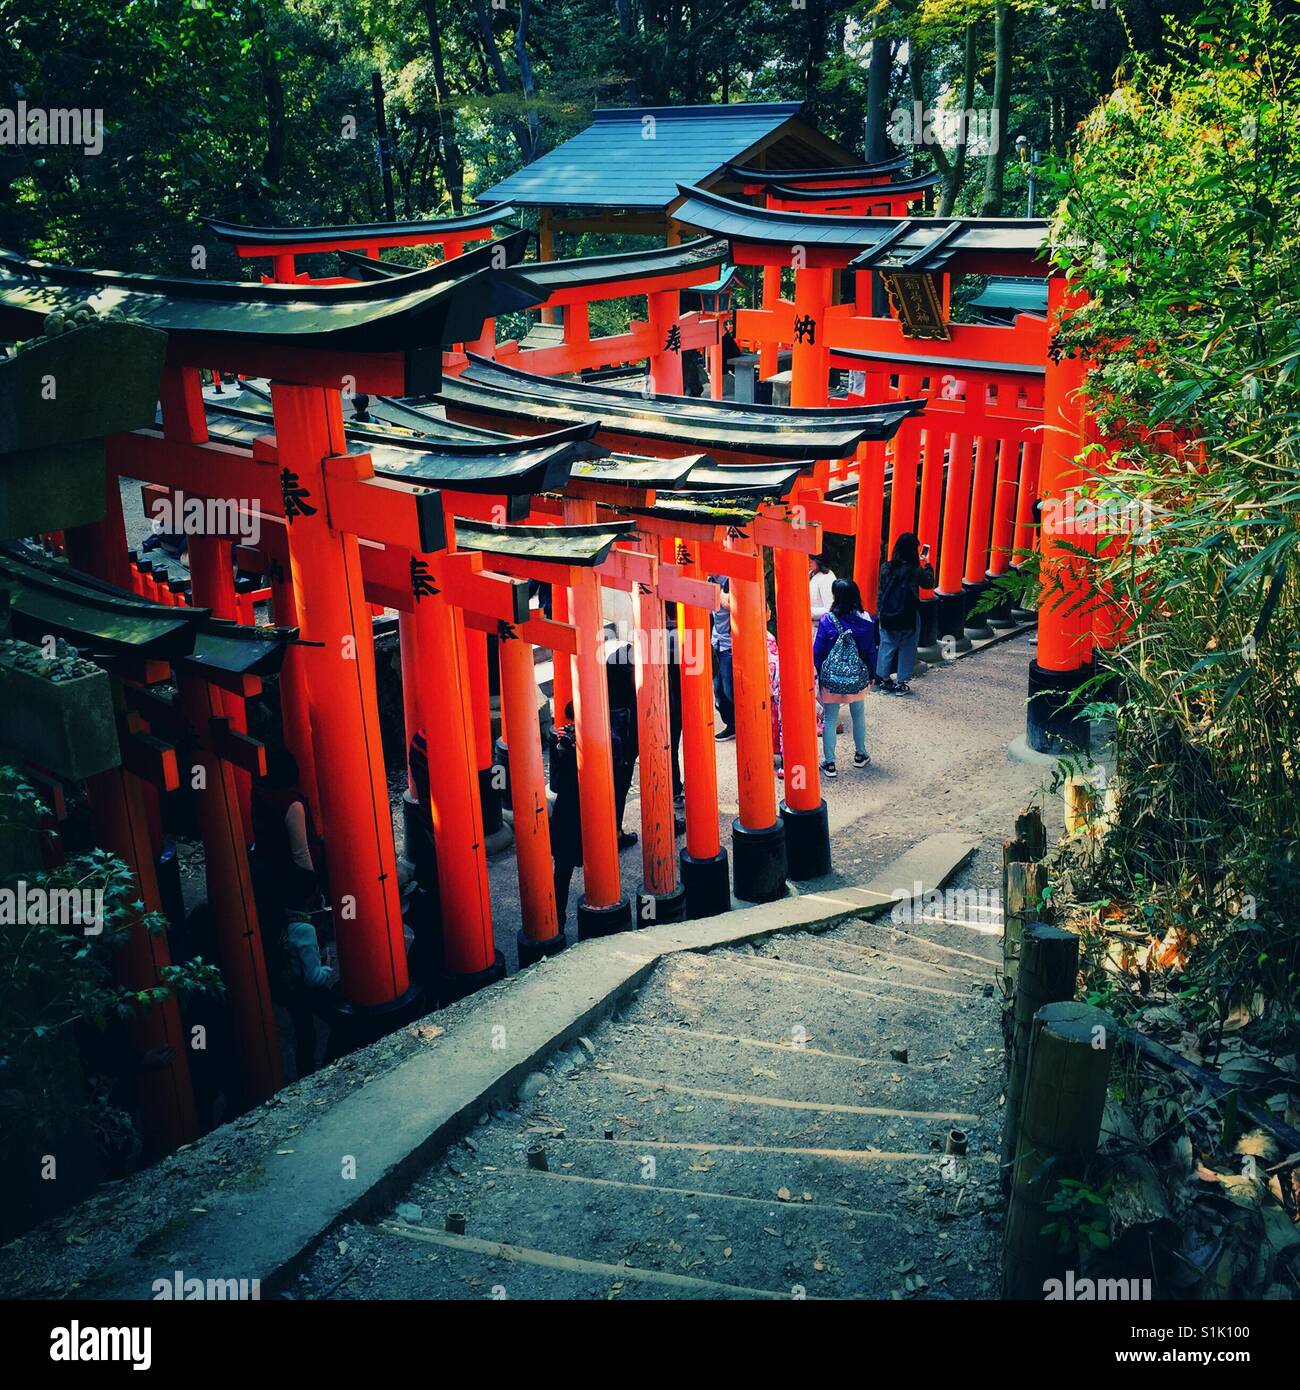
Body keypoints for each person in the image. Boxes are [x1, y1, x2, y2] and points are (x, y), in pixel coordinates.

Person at [813, 578, 878, 778]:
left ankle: (830, 763)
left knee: (830, 719)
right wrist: (871, 674)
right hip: (857, 676)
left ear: (836, 597)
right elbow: (870, 650)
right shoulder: (867, 619)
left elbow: (818, 651)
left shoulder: (827, 620)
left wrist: (822, 674)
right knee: (858, 714)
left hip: (832, 679)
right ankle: (860, 754)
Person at [876, 531, 935, 695]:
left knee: (886, 646)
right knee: (907, 648)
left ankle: (885, 680)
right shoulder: (916, 570)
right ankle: (901, 683)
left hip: (887, 614)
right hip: (908, 614)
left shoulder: (886, 567)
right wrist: (928, 564)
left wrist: (881, 611)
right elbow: (929, 584)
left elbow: (881, 590)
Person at [606, 642, 639, 850]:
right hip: (625, 739)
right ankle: (615, 831)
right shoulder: (635, 671)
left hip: (610, 733)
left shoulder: (614, 660)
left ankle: (608, 828)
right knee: (621, 784)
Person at [709, 575, 735, 740]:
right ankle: (731, 724)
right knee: (717, 690)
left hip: (729, 644)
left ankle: (740, 722)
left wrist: (720, 596)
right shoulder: (708, 579)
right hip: (716, 641)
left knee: (729, 688)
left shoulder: (730, 582)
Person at [809, 554, 837, 635]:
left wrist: (807, 611)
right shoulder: (811, 573)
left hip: (820, 628)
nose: (809, 560)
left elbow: (830, 608)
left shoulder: (826, 578)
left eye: (812, 558)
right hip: (810, 625)